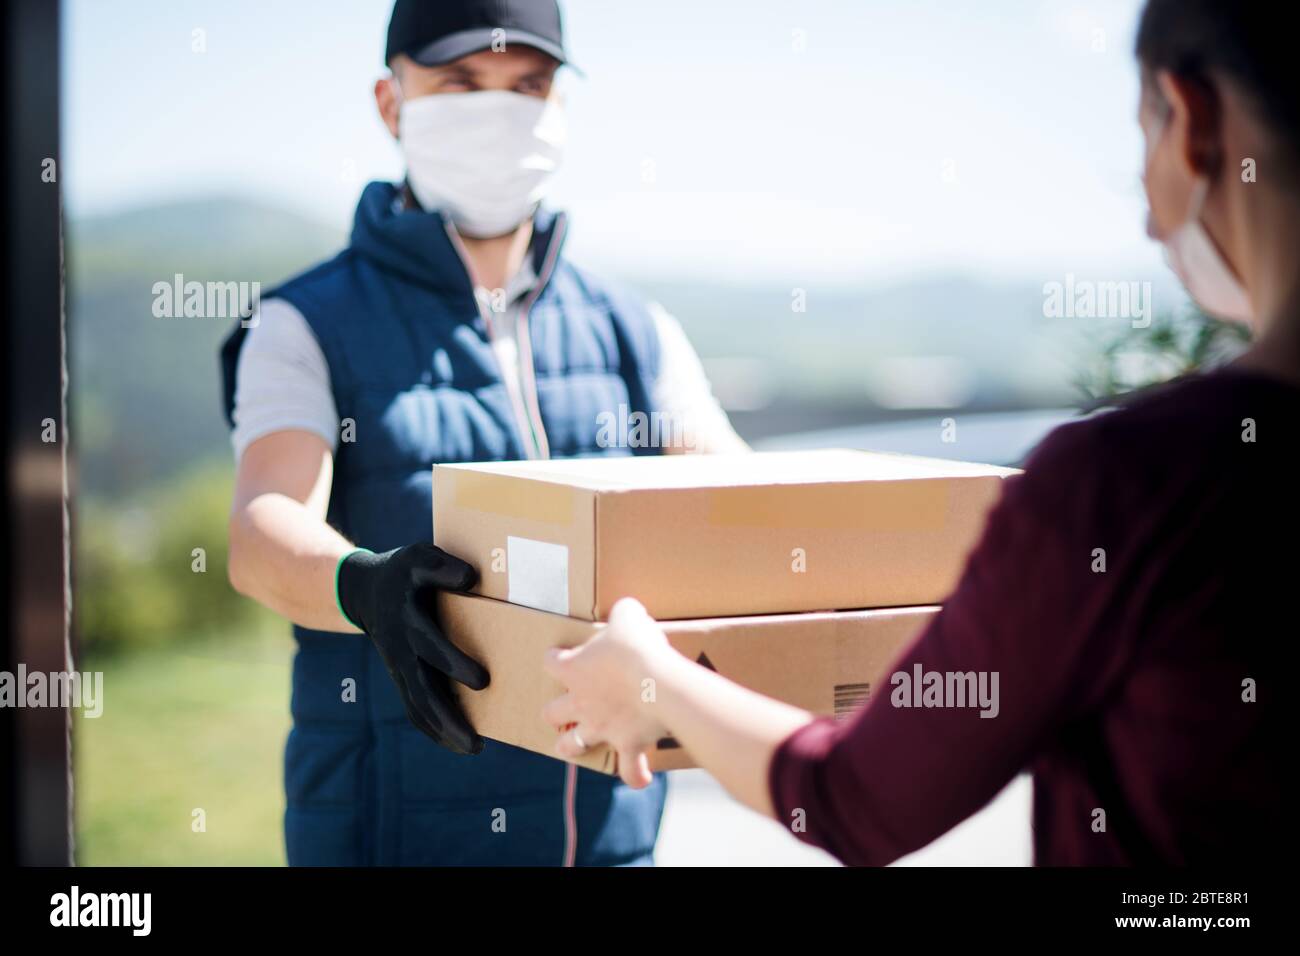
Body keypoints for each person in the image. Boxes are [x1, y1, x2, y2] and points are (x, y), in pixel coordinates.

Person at [542, 0, 1292, 865]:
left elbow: (856, 801)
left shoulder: (1124, 489)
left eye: (1141, 136)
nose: (1147, 217)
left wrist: (653, 675)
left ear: (1191, 119)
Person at [221, 0, 745, 867]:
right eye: (462, 82)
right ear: (391, 105)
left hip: (612, 840)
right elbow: (259, 535)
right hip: (392, 832)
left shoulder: (634, 327)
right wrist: (367, 587)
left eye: (528, 85)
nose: (498, 111)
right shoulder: (303, 323)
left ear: (561, 109)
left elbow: (745, 506)